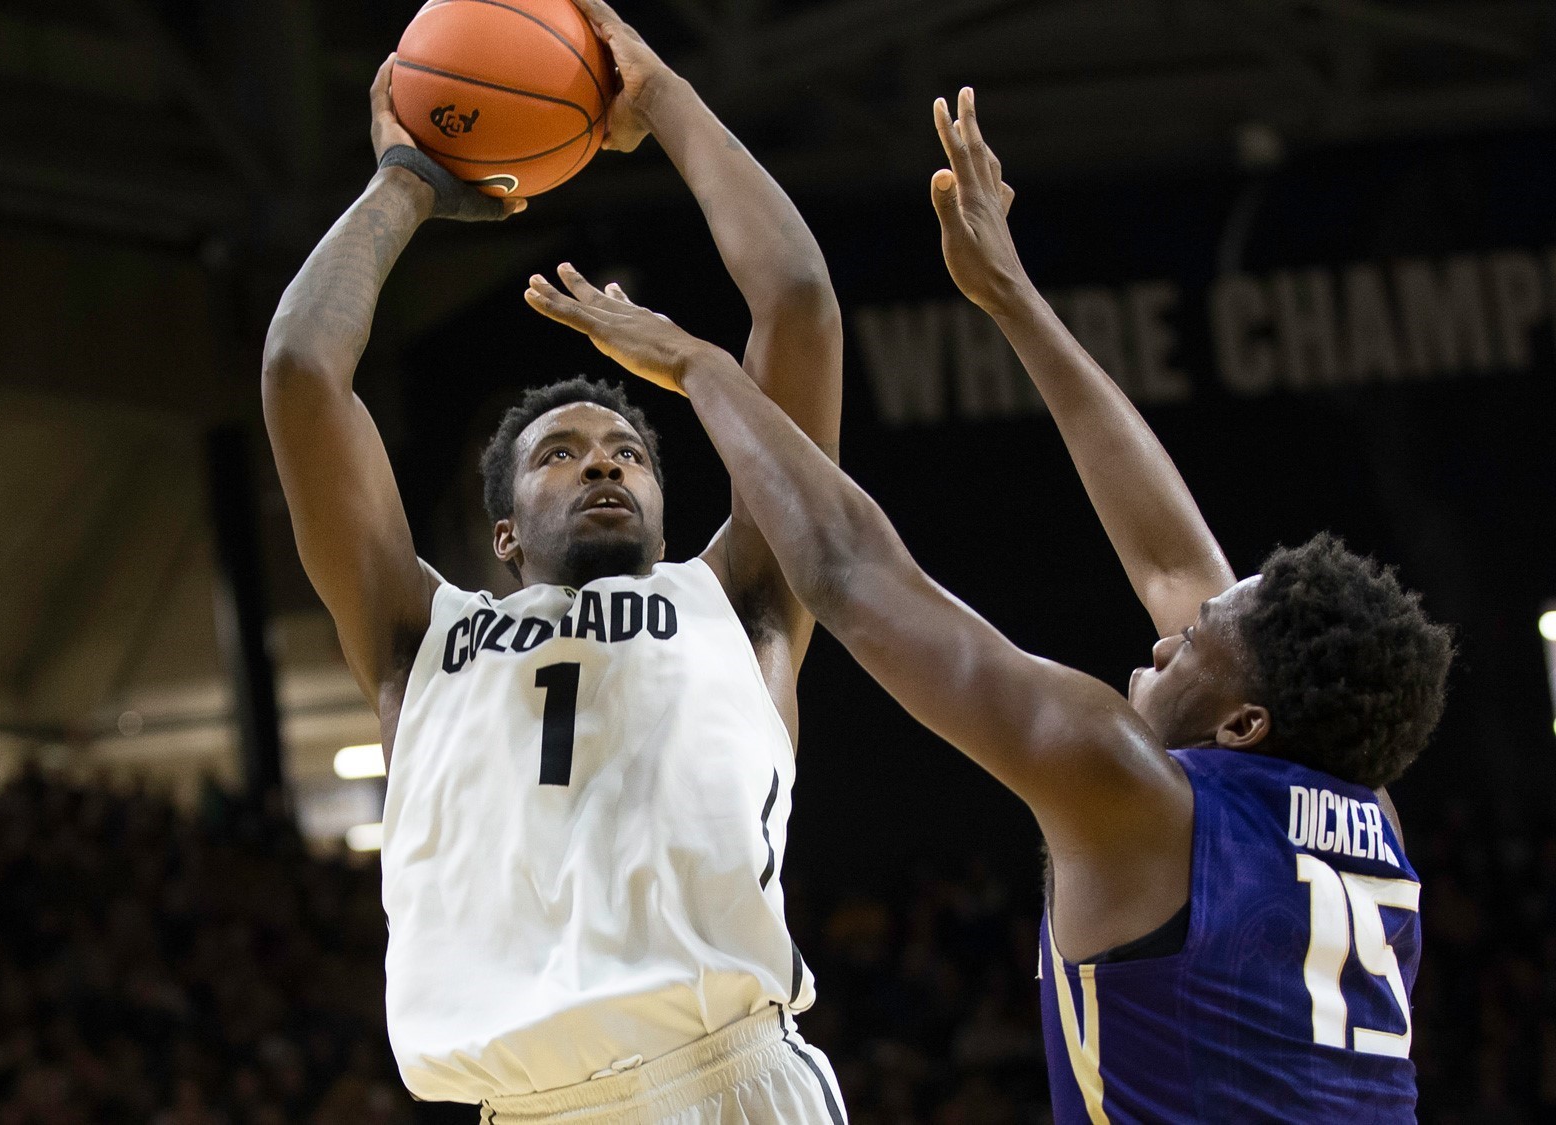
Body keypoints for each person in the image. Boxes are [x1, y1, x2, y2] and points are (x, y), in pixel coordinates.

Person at [523, 88, 1455, 1124]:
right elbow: (1163, 555)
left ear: (1243, 723)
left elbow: (845, 569)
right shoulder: (1362, 814)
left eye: (1193, 641)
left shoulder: (1129, 792)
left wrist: (697, 367)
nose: (1164, 634)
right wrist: (1009, 294)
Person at [260, 0, 850, 1118]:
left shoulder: (740, 601)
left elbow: (797, 302)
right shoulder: (414, 638)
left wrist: (663, 99)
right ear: (501, 535)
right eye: (562, 455)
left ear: (668, 514)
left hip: (724, 1080)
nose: (604, 466)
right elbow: (299, 373)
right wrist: (403, 179)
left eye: (629, 451)